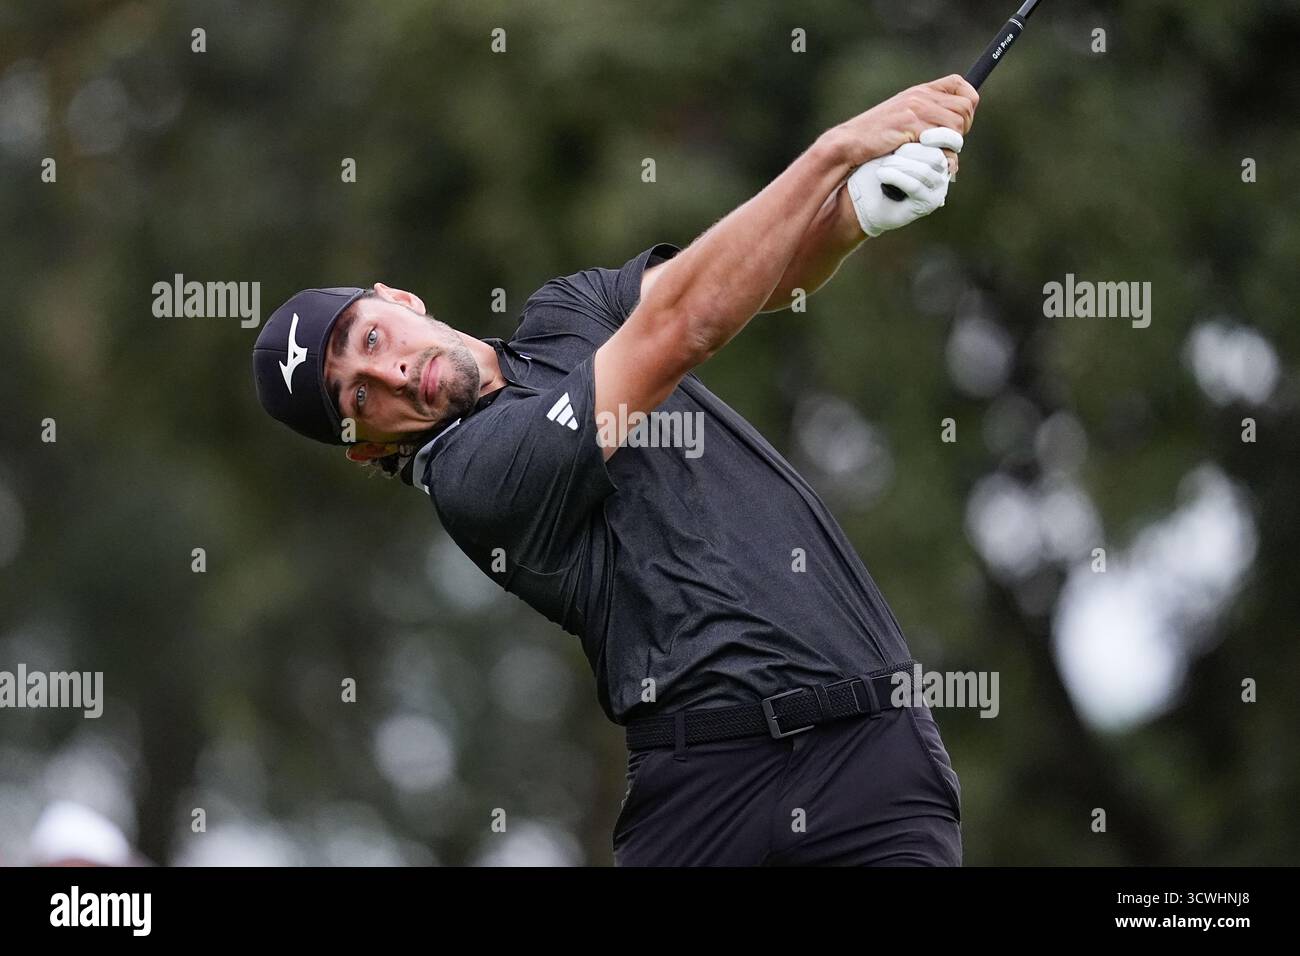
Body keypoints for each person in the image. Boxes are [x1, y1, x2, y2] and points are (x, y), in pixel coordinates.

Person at [252, 75, 980, 865]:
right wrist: (835, 152)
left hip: (872, 756)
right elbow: (682, 330)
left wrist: (857, 211)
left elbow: (763, 275)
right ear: (366, 447)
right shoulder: (472, 479)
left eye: (369, 339)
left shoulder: (567, 311)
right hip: (708, 800)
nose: (391, 373)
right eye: (359, 395)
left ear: (399, 298)